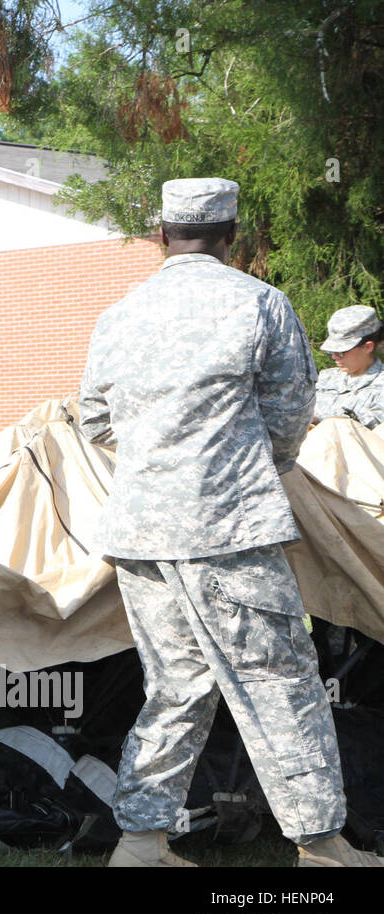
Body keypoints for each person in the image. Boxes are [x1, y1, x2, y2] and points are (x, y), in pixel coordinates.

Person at [79, 178, 379, 867]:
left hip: (141, 534)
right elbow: (287, 417)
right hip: (229, 528)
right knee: (280, 681)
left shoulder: (118, 315)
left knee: (175, 685)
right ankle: (324, 847)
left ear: (161, 234)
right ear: (232, 235)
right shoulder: (261, 304)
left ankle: (141, 841)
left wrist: (161, 458)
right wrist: (231, 463)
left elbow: (94, 419)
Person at [312, 306, 384, 427]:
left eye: (341, 352)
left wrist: (320, 421)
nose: (334, 357)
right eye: (332, 352)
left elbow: (371, 424)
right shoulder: (325, 377)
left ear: (368, 347)